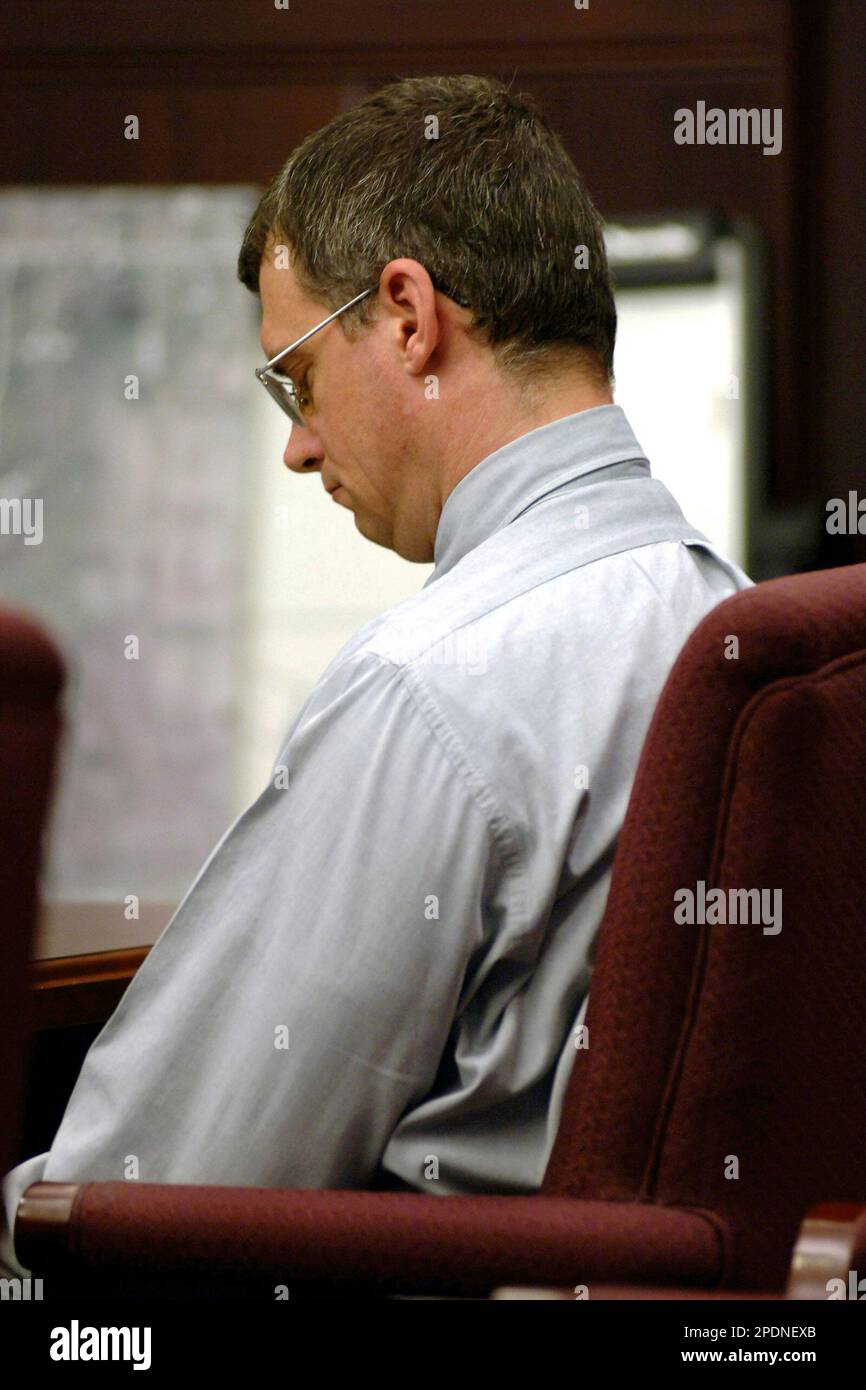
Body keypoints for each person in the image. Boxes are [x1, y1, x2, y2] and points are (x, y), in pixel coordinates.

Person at [1, 73, 752, 1278]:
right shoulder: (732, 625)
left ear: (406, 314)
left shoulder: (430, 689)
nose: (295, 444)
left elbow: (145, 1196)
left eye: (293, 376)